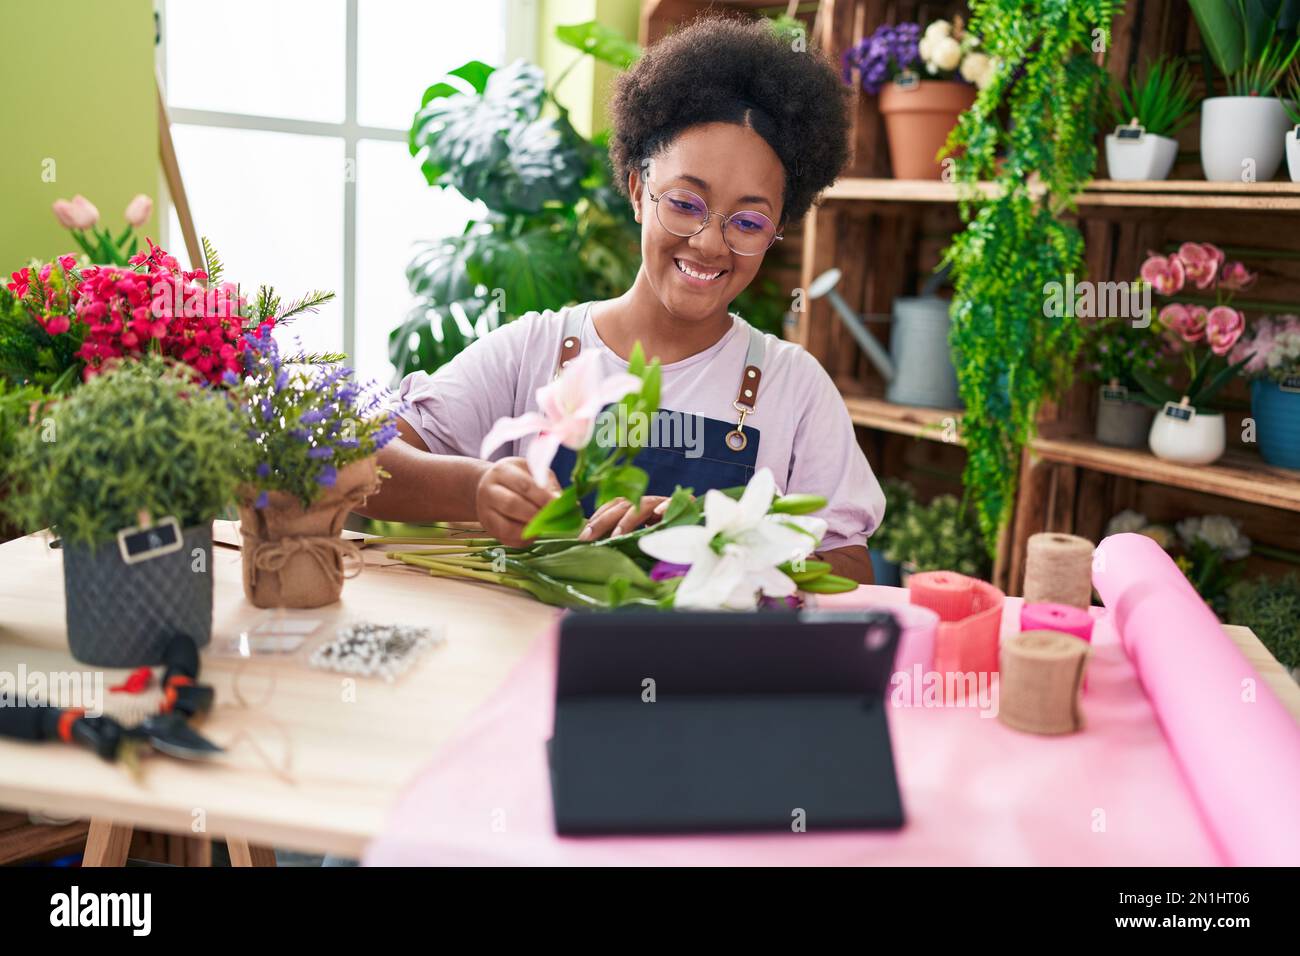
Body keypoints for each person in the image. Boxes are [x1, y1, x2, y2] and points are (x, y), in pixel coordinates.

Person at [362, 15, 884, 583]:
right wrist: (474, 488)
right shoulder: (533, 350)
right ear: (638, 191)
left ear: (779, 227)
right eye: (685, 204)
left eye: (749, 220)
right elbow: (362, 463)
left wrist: (718, 540)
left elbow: (850, 568)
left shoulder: (793, 388)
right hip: (532, 662)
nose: (710, 242)